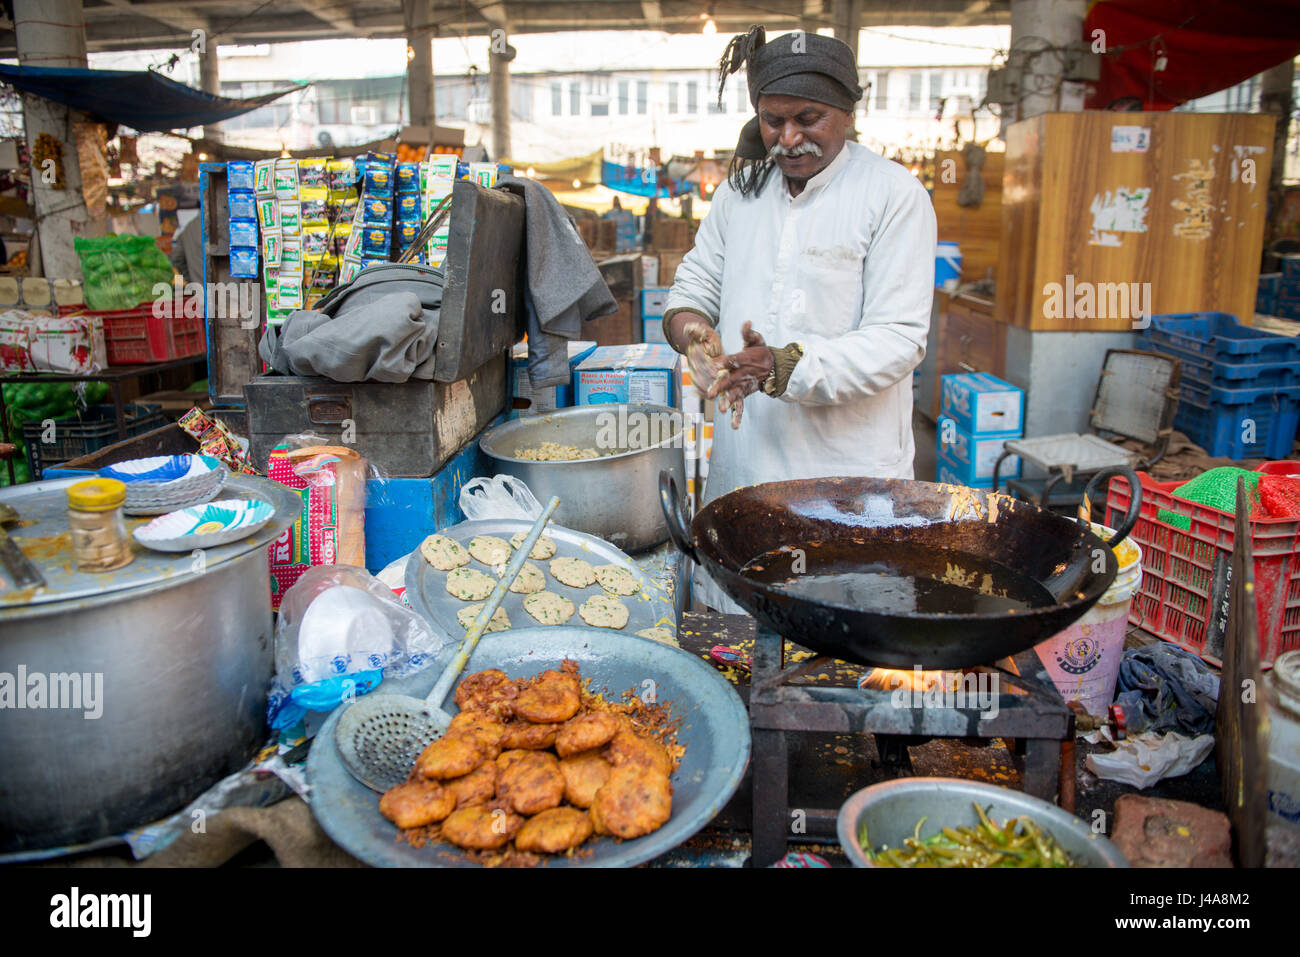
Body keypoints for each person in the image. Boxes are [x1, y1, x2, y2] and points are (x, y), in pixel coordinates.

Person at [661, 26, 936, 612]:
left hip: (847, 474)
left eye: (807, 119)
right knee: (746, 626)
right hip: (749, 462)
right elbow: (692, 287)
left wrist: (783, 364)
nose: (787, 138)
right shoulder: (741, 192)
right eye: (772, 120)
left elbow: (898, 340)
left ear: (846, 113)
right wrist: (694, 335)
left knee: (843, 632)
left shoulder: (893, 194)